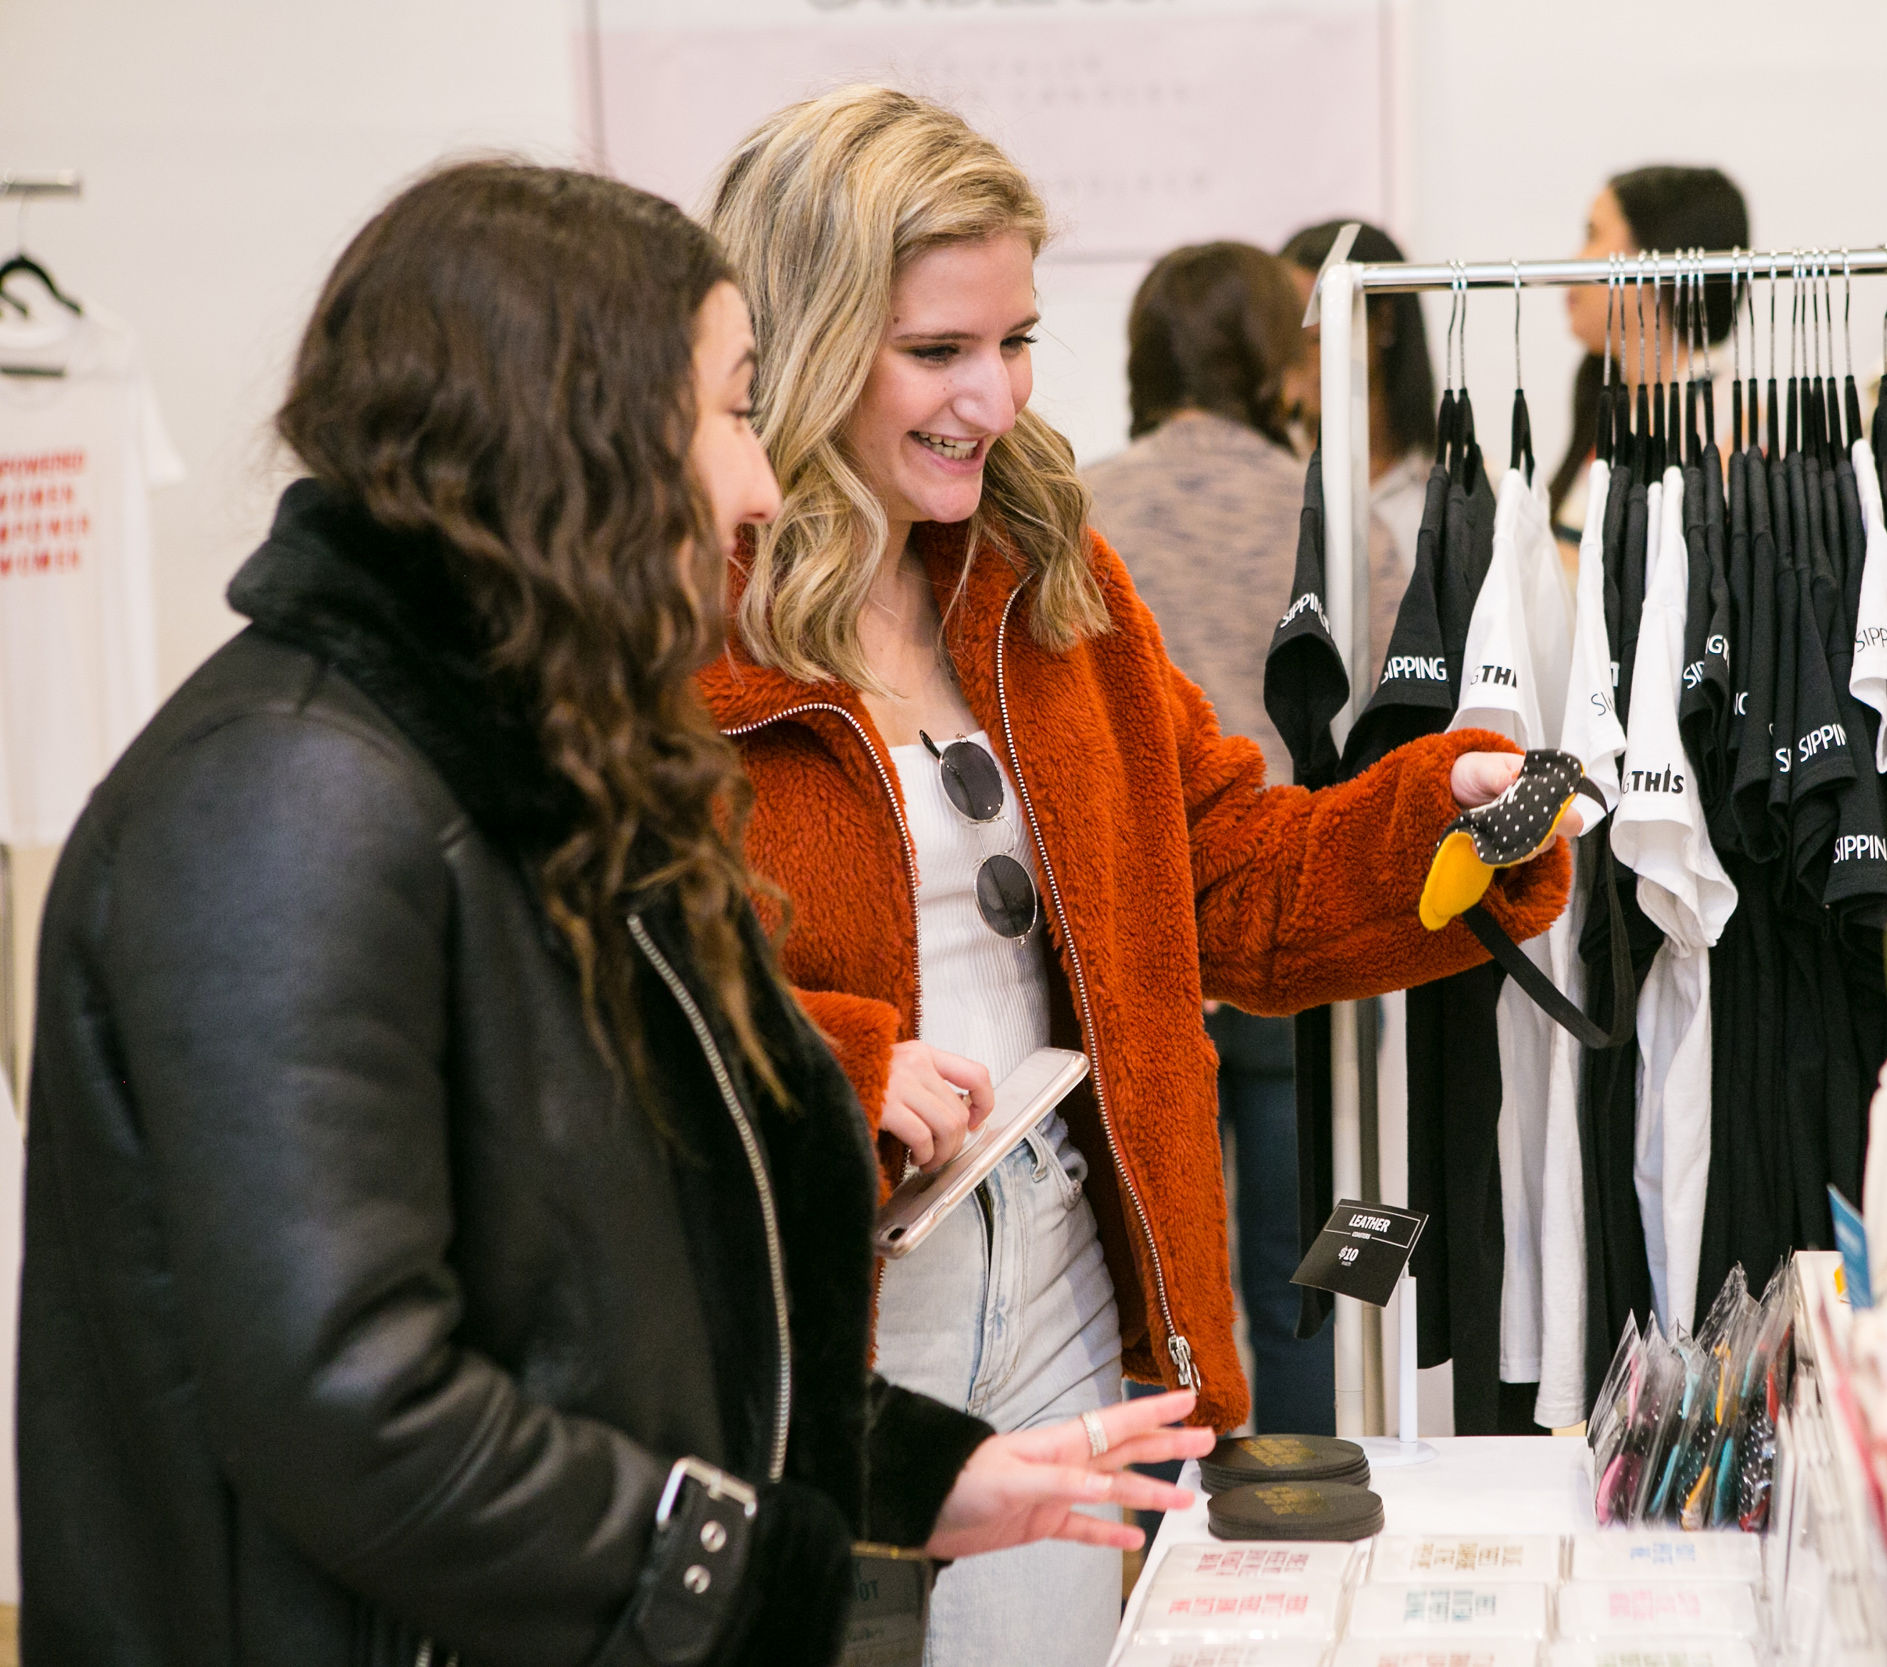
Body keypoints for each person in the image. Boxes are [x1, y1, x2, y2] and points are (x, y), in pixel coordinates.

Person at [16, 160, 1208, 1667]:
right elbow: (359, 1404)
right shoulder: (287, 798)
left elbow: (635, 1278)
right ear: (578, 431)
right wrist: (758, 1567)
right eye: (730, 409)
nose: (766, 482)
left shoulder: (541, 775)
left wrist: (910, 1471)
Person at [700, 87, 1574, 1667]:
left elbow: (1228, 876)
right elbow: (591, 994)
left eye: (1018, 339)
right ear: (809, 340)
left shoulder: (1052, 577)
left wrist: (1431, 820)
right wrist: (831, 1059)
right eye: (940, 351)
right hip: (816, 1326)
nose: (995, 395)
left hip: (1065, 1293)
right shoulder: (677, 628)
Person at [1082, 240, 1330, 1439]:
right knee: (1299, 1290)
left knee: (1144, 1288)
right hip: (1286, 926)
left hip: (1127, 954)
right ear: (1271, 357)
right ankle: (1294, 1530)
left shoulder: (1072, 511)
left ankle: (1159, 1561)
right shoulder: (1332, 521)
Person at [1553, 165, 1749, 555]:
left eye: (1593, 234)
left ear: (1653, 258)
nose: (1573, 261)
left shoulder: (1734, 422)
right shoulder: (1610, 406)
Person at [1280, 218, 1439, 675]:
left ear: (1382, 321)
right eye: (1281, 336)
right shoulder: (1269, 482)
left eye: (1312, 336)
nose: (1294, 359)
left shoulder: (1448, 499)